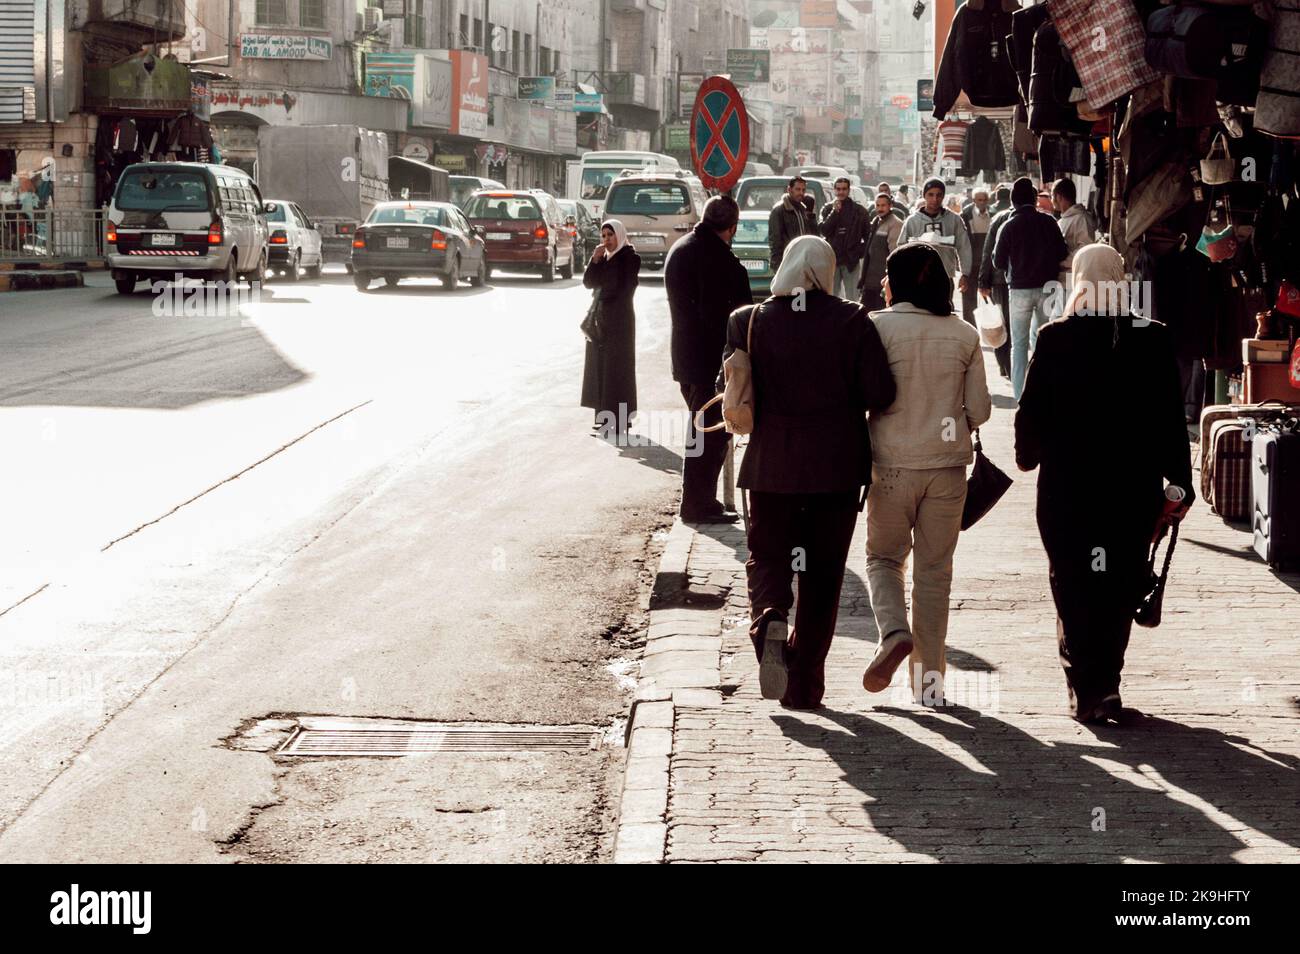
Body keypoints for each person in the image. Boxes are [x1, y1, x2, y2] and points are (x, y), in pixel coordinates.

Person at [1014, 244, 1194, 724]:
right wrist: (1180, 482)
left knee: (1072, 583)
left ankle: (1087, 687)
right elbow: (1170, 421)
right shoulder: (1151, 338)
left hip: (1066, 491)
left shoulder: (1055, 338)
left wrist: (1027, 456)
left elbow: (1030, 414)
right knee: (1117, 586)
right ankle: (1106, 685)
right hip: (1130, 491)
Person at [728, 235, 896, 709]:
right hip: (835, 468)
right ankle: (804, 687)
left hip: (770, 465)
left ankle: (770, 618)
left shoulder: (749, 320)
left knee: (768, 557)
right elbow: (880, 393)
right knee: (823, 576)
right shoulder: (853, 321)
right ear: (826, 270)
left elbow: (734, 389)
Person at [861, 244, 992, 704]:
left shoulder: (875, 328)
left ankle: (894, 630)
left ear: (897, 281)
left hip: (889, 466)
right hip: (946, 470)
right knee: (935, 573)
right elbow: (979, 410)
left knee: (883, 560)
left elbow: (862, 395)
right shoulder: (964, 334)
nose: (880, 283)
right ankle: (928, 686)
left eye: (886, 275)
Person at [665, 195, 753, 524]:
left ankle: (701, 501)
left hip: (686, 359)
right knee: (710, 434)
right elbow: (733, 320)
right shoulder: (721, 263)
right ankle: (697, 504)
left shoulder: (682, 247)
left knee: (703, 431)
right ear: (732, 228)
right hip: (712, 365)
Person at [991, 177, 1068, 401]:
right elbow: (1062, 252)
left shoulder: (1008, 225)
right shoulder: (1049, 222)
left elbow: (998, 262)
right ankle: (1044, 394)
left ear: (1013, 202)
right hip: (1047, 289)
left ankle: (1020, 398)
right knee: (1044, 342)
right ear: (1034, 200)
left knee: (1019, 345)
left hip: (1019, 291)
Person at [581, 220, 641, 437]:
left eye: (610, 235)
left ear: (620, 235)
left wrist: (603, 287)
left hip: (621, 320)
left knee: (619, 369)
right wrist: (594, 260)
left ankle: (621, 420)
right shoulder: (604, 258)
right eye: (603, 235)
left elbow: (622, 288)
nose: (606, 240)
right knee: (601, 367)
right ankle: (604, 418)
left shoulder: (629, 257)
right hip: (601, 319)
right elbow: (589, 283)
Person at [899, 178, 973, 299]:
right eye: (930, 194)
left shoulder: (954, 220)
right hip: (918, 277)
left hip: (945, 276)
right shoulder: (912, 221)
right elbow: (901, 249)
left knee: (943, 314)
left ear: (944, 196)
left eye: (939, 195)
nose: (935, 199)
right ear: (924, 196)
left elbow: (964, 247)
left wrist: (965, 274)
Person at [977, 188, 1015, 379]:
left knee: (1002, 323)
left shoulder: (999, 218)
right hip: (1012, 280)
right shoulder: (1005, 218)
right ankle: (1009, 367)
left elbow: (988, 250)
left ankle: (1004, 366)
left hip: (999, 280)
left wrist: (983, 280)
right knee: (1010, 324)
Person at [819, 177, 871, 299]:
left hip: (851, 261)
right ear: (834, 190)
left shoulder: (859, 211)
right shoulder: (827, 209)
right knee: (831, 297)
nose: (841, 192)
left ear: (848, 190)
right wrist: (834, 212)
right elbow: (824, 231)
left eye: (844, 189)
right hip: (832, 260)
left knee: (852, 298)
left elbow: (868, 236)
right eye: (838, 189)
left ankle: (851, 318)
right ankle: (833, 318)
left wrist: (858, 252)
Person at [857, 192, 903, 311]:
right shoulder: (877, 221)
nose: (880, 208)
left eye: (883, 205)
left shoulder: (895, 224)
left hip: (882, 282)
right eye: (877, 205)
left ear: (890, 206)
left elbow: (895, 254)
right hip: (870, 280)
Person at [959, 189, 993, 328]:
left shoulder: (993, 215)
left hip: (988, 262)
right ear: (974, 201)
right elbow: (961, 242)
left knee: (992, 298)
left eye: (984, 200)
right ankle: (970, 328)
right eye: (979, 200)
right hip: (971, 262)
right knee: (969, 299)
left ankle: (993, 327)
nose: (982, 202)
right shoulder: (965, 216)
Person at [767, 175, 817, 271]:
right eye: (798, 189)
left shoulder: (802, 209)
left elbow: (811, 234)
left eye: (803, 190)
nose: (801, 193)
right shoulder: (779, 210)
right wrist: (778, 266)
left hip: (802, 261)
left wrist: (811, 216)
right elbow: (775, 241)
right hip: (786, 262)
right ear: (789, 190)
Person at [1052, 177, 1093, 294]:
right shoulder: (1062, 220)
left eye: (1052, 196)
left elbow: (1086, 248)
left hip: (1074, 280)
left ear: (1059, 197)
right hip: (1062, 281)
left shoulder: (1081, 218)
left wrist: (1063, 262)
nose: (1051, 200)